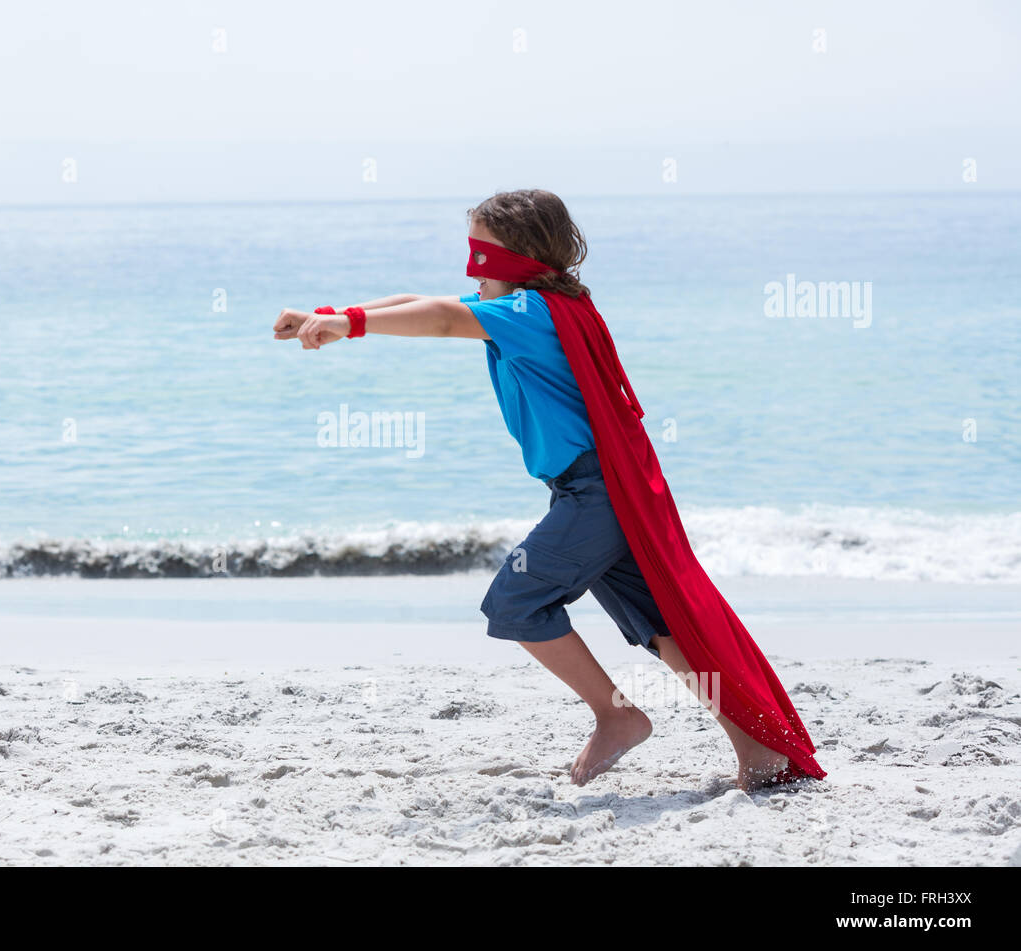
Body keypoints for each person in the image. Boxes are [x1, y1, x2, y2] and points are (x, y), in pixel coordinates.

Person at [273, 188, 824, 791]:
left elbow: (437, 317)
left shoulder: (527, 315)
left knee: (514, 602)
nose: (471, 269)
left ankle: (616, 715)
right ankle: (759, 752)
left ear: (519, 254)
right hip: (602, 490)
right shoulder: (551, 304)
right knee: (662, 623)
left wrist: (348, 324)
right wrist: (329, 314)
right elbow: (420, 301)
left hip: (595, 495)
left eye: (481, 254)